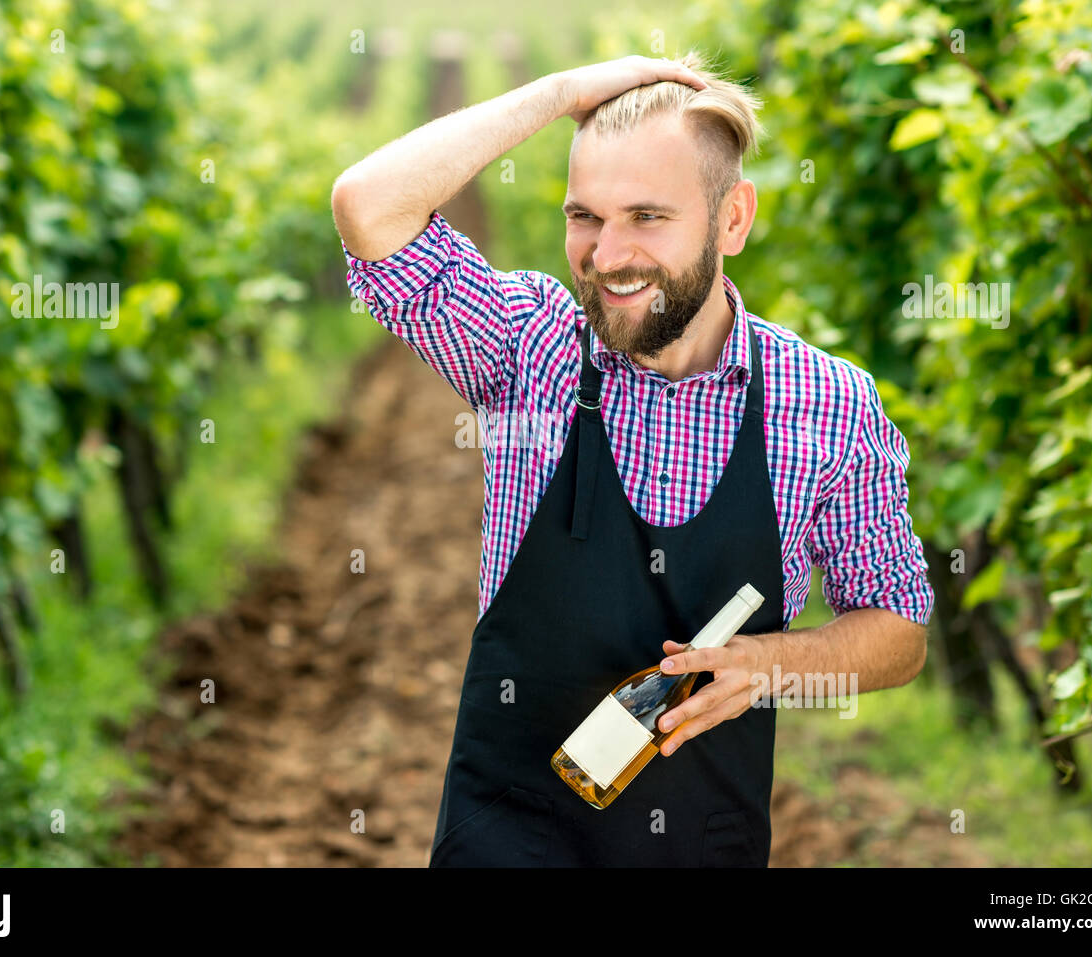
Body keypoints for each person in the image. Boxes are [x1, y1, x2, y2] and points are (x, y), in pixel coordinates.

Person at [331, 50, 934, 867]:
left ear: (732, 220)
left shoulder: (826, 404)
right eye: (585, 216)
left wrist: (771, 663)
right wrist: (563, 92)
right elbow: (369, 207)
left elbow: (897, 628)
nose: (608, 255)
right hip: (508, 842)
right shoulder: (528, 347)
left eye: (647, 216)